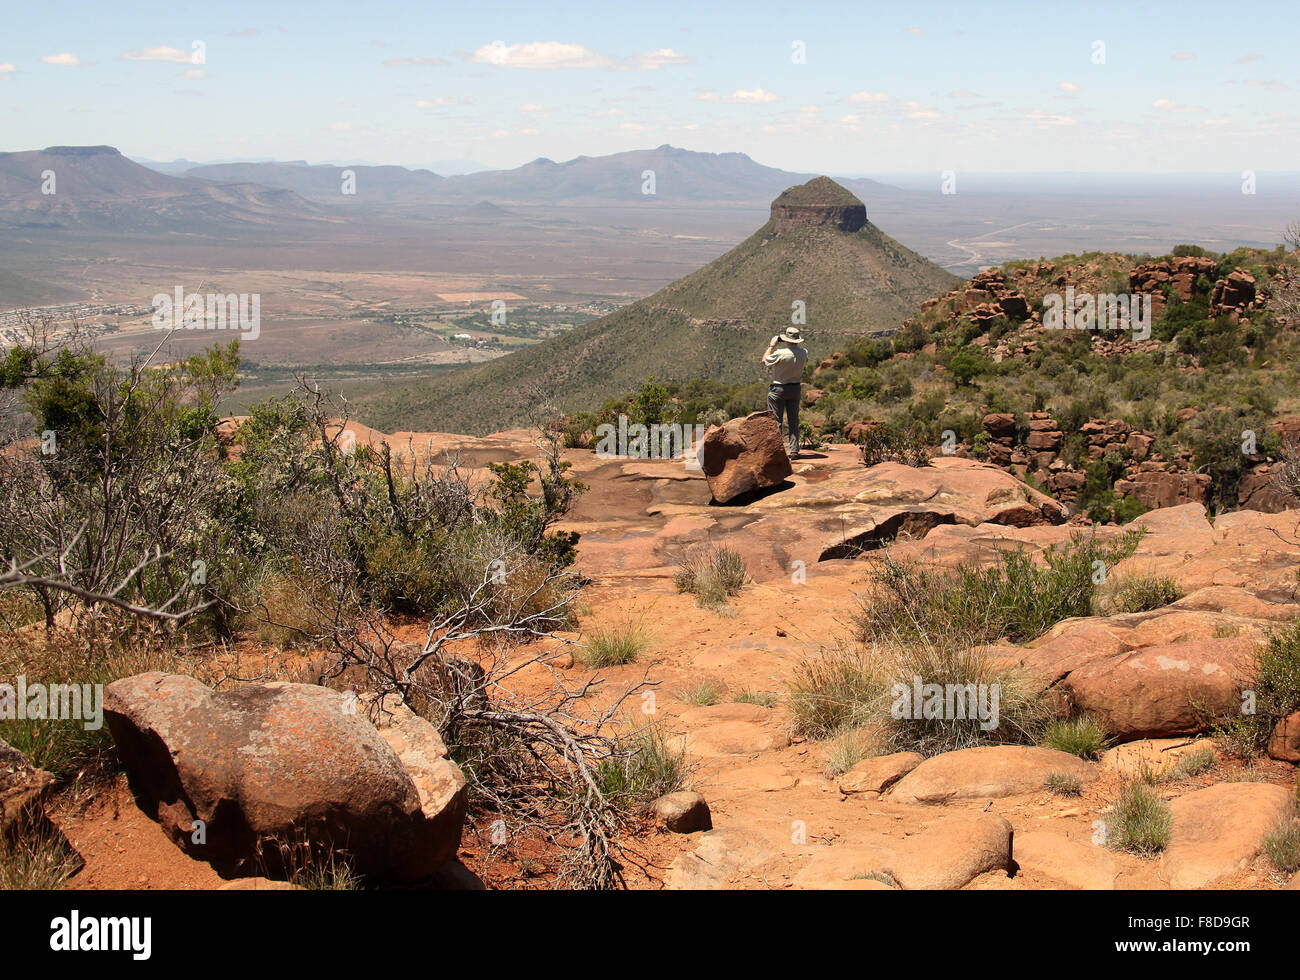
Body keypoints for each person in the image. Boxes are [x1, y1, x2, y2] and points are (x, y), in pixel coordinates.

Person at [763, 327, 808, 457]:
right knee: (793, 420)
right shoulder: (804, 352)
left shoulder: (780, 352)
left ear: (786, 339)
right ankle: (794, 451)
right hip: (795, 389)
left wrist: (771, 345)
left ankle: (776, 451)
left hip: (779, 389)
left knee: (776, 421)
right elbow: (805, 360)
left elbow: (765, 360)